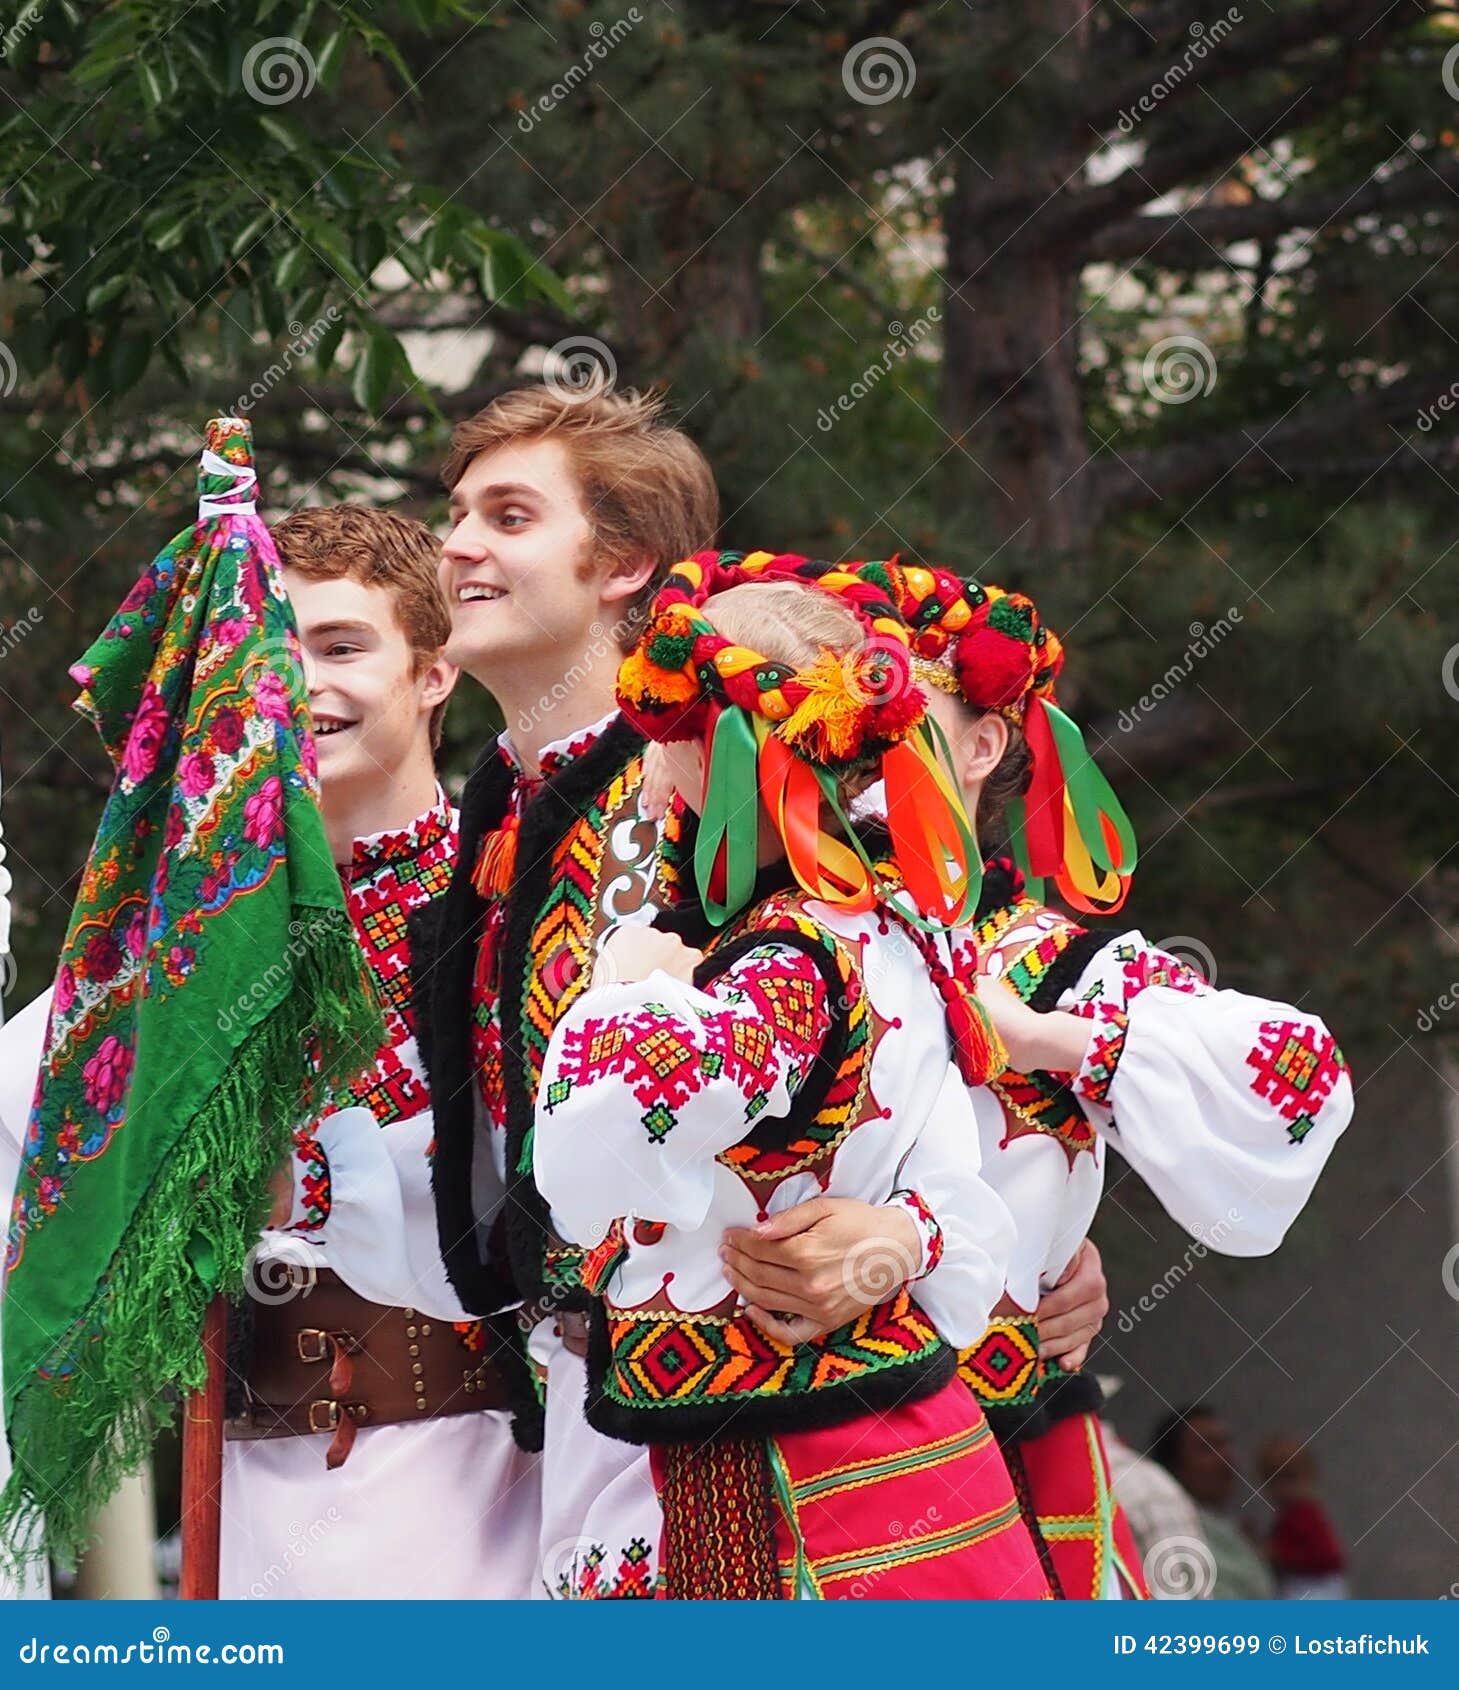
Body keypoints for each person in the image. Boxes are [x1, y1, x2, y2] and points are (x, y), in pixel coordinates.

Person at [720, 558, 1354, 1598]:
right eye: (840, 705)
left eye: (897, 707)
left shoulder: (1037, 961)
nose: (861, 740)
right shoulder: (742, 938)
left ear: (982, 743)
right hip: (734, 1472)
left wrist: (1045, 1039)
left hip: (979, 1471)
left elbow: (1300, 1083)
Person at [533, 555, 1052, 1599]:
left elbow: (592, 1152)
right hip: (903, 1442)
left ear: (713, 755)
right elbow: (954, 1177)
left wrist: (635, 981)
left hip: (779, 1478)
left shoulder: (777, 963)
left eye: (664, 743)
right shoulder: (898, 925)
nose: (646, 773)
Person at [218, 505, 542, 1600]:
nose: (301, 684)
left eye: (342, 645)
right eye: (269, 655)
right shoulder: (199, 927)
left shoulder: (507, 894)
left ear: (435, 670)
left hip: (480, 1481)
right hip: (246, 1491)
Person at [1152, 1403, 1276, 1599]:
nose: (1225, 1457)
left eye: (1225, 1444)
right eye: (1207, 1448)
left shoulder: (1232, 1530)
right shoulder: (1168, 1530)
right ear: (1175, 1465)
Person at [1259, 1434, 1349, 1599]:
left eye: (1290, 1477)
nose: (1282, 1488)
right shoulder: (1288, 1517)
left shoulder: (1307, 1516)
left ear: (1310, 1476)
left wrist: (1279, 1554)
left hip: (1318, 1588)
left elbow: (1329, 1557)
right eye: (1273, 1480)